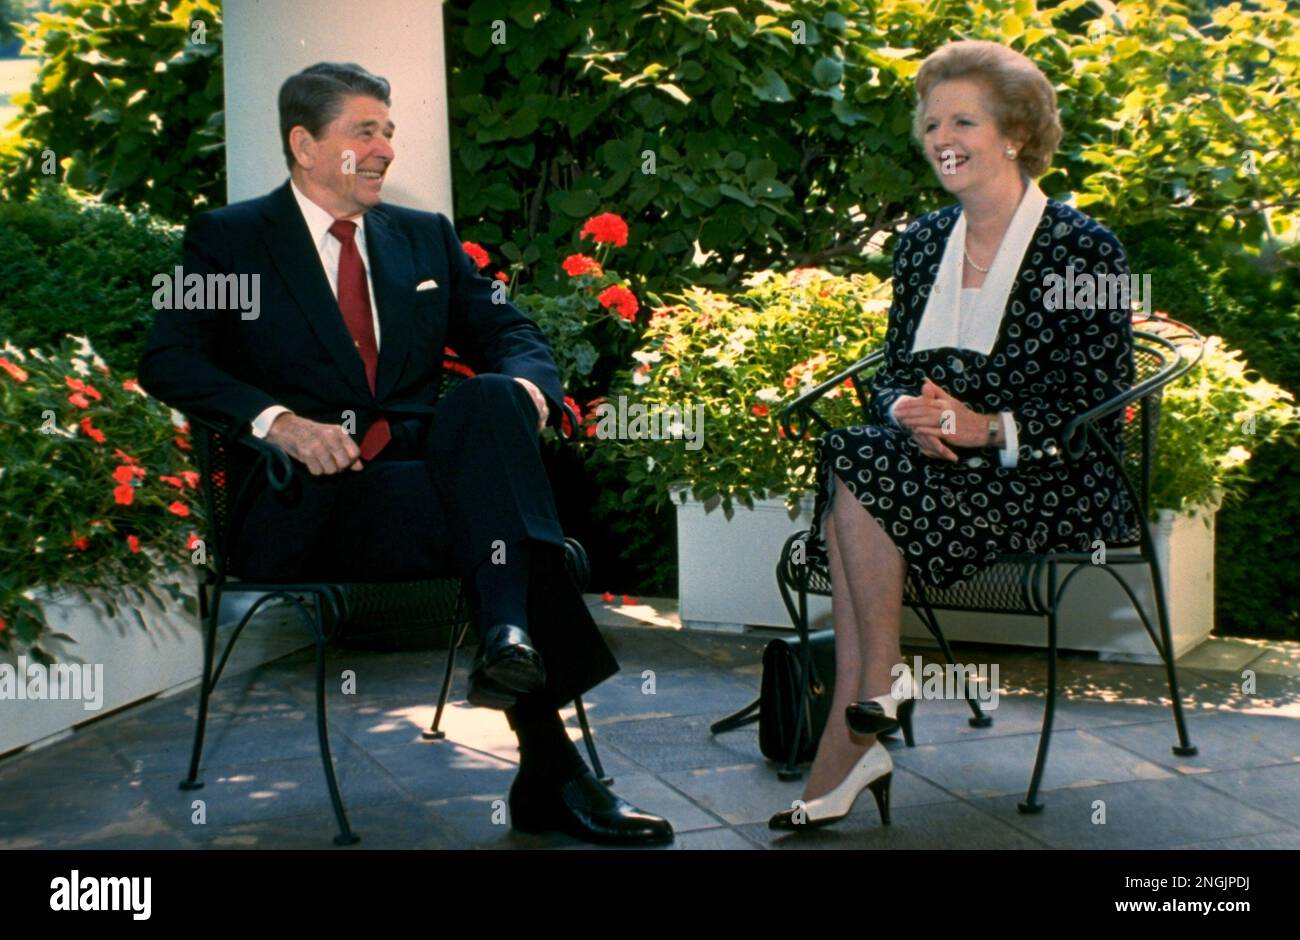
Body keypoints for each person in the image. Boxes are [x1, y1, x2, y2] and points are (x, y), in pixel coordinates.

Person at [138, 61, 672, 846]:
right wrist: (279, 421)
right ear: (305, 144)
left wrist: (527, 391)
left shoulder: (422, 240)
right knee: (513, 528)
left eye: (388, 131)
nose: (386, 148)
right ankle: (545, 740)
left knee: (491, 401)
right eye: (365, 131)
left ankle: (511, 653)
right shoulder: (232, 241)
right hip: (305, 502)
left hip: (422, 491)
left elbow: (512, 334)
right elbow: (170, 357)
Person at [768, 40, 1138, 830]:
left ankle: (856, 723)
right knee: (861, 453)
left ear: (1014, 133)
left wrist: (986, 427)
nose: (943, 136)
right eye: (932, 121)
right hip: (924, 472)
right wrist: (906, 409)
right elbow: (894, 372)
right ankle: (873, 701)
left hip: (1040, 478)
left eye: (963, 119)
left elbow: (1099, 403)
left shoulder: (1087, 248)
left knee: (852, 469)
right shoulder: (922, 243)